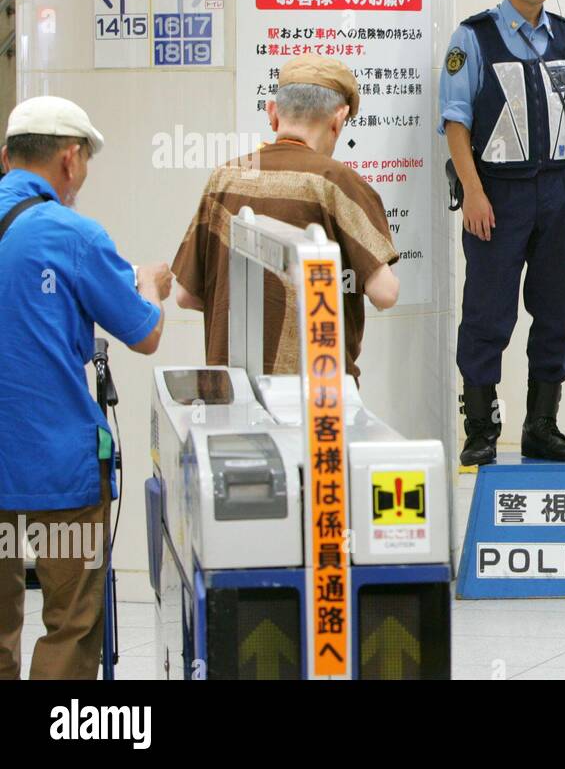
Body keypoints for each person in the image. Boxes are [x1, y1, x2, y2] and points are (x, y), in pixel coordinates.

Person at [0, 97, 171, 679]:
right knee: (71, 623)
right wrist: (147, 283)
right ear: (70, 160)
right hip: (60, 471)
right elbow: (145, 333)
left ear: (6, 157)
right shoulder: (73, 235)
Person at [439, 0, 565, 466]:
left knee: (557, 312)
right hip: (498, 193)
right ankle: (481, 427)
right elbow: (456, 123)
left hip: (560, 194)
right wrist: (472, 192)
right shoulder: (474, 37)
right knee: (487, 311)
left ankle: (542, 423)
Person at [173, 54, 400, 383]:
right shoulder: (337, 183)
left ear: (273, 113)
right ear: (338, 118)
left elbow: (185, 295)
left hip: (233, 393)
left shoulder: (225, 178)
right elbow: (385, 293)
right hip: (317, 399)